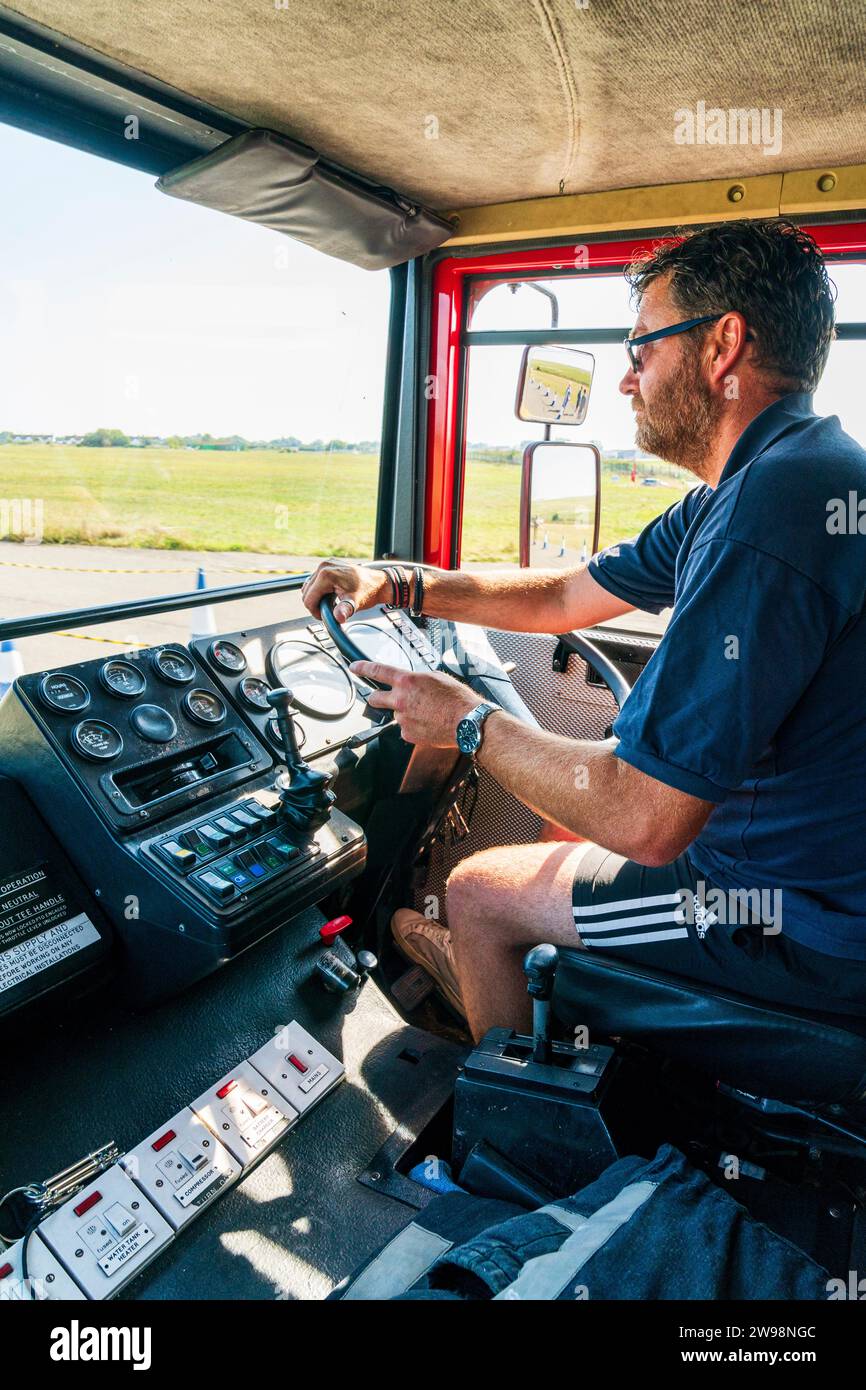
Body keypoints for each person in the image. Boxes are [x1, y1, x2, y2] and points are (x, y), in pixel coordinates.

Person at [303, 218, 866, 1044]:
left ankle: (501, 1142)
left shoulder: (762, 517)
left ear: (722, 348)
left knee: (481, 891)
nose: (627, 382)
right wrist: (400, 582)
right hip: (809, 870)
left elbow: (645, 819)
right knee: (569, 815)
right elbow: (562, 597)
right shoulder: (780, 476)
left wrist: (465, 720)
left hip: (797, 921)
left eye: (641, 349)